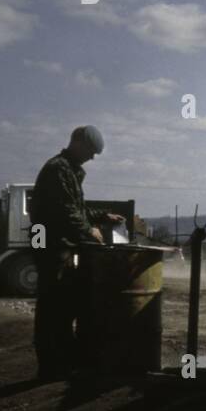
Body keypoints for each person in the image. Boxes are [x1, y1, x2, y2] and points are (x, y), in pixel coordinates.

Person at [30, 125, 124, 380]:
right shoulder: (59, 169)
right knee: (53, 308)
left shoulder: (68, 170)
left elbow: (76, 209)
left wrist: (103, 217)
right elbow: (66, 212)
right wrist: (88, 230)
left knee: (63, 305)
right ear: (79, 143)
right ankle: (51, 368)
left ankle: (64, 362)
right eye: (91, 152)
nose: (92, 158)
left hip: (59, 245)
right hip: (52, 246)